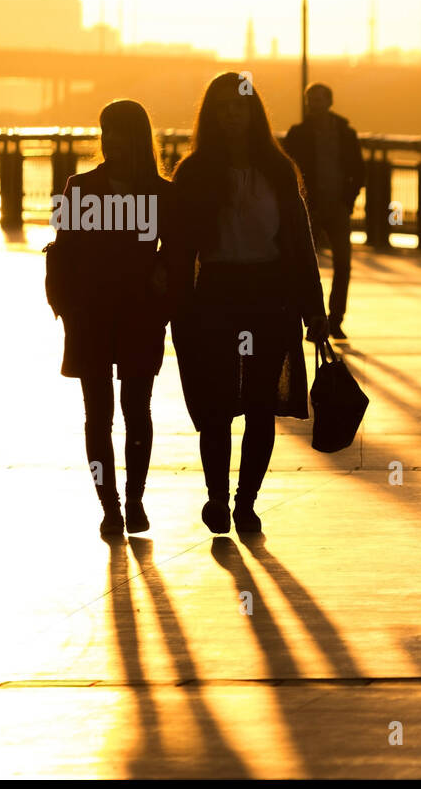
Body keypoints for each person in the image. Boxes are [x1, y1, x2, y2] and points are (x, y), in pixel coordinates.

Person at [166, 72, 330, 535]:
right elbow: (179, 249)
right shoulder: (195, 173)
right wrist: (172, 308)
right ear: (211, 116)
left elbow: (300, 246)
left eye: (239, 107)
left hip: (269, 295)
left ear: (253, 112)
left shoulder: (278, 172)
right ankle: (217, 499)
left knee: (260, 405)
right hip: (216, 296)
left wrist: (313, 309)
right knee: (217, 406)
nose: (231, 116)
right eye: (222, 108)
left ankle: (246, 501)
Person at [47, 99, 172, 537]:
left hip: (139, 314)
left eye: (120, 132)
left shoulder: (161, 193)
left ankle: (133, 500)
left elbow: (178, 254)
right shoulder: (77, 187)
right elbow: (61, 249)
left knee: (136, 411)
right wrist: (65, 308)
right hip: (90, 315)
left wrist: (163, 282)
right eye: (106, 131)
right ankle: (111, 506)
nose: (111, 141)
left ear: (138, 138)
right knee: (98, 416)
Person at [281, 83, 364, 340]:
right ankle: (309, 316)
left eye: (318, 100)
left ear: (329, 102)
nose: (313, 105)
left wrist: (348, 200)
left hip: (337, 207)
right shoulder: (298, 134)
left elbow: (359, 169)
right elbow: (285, 170)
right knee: (306, 263)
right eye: (310, 100)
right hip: (308, 209)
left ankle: (335, 318)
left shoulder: (345, 133)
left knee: (343, 263)